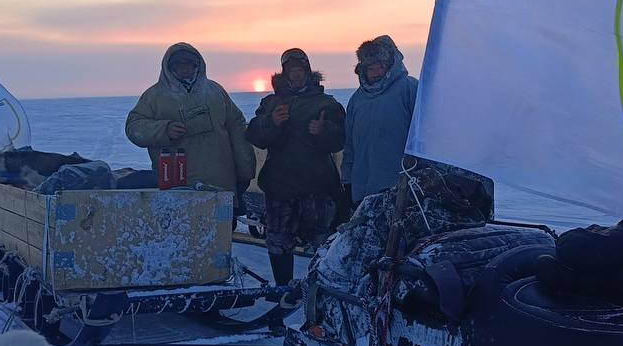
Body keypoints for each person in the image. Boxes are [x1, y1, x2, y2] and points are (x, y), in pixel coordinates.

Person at [246, 48, 346, 286]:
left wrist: (324, 131)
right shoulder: (271, 103)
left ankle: (323, 292)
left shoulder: (326, 103)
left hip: (318, 188)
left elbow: (341, 139)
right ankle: (283, 292)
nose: (296, 74)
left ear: (308, 71)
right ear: (285, 73)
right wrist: (272, 123)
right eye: (291, 70)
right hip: (280, 189)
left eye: (300, 69)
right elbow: (254, 135)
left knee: (323, 244)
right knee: (279, 242)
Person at [125, 43, 255, 205]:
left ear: (197, 65)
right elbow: (134, 127)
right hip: (176, 187)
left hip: (220, 185)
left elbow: (237, 128)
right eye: (179, 64)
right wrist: (164, 129)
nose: (184, 68)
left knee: (222, 228)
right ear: (170, 67)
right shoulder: (154, 97)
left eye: (189, 63)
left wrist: (245, 169)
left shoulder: (215, 92)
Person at [341, 35, 418, 208]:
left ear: (390, 65)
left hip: (401, 191)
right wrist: (347, 182)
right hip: (363, 193)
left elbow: (424, 139)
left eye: (380, 67)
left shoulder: (410, 89)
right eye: (370, 68)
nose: (375, 73)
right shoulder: (356, 100)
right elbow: (350, 146)